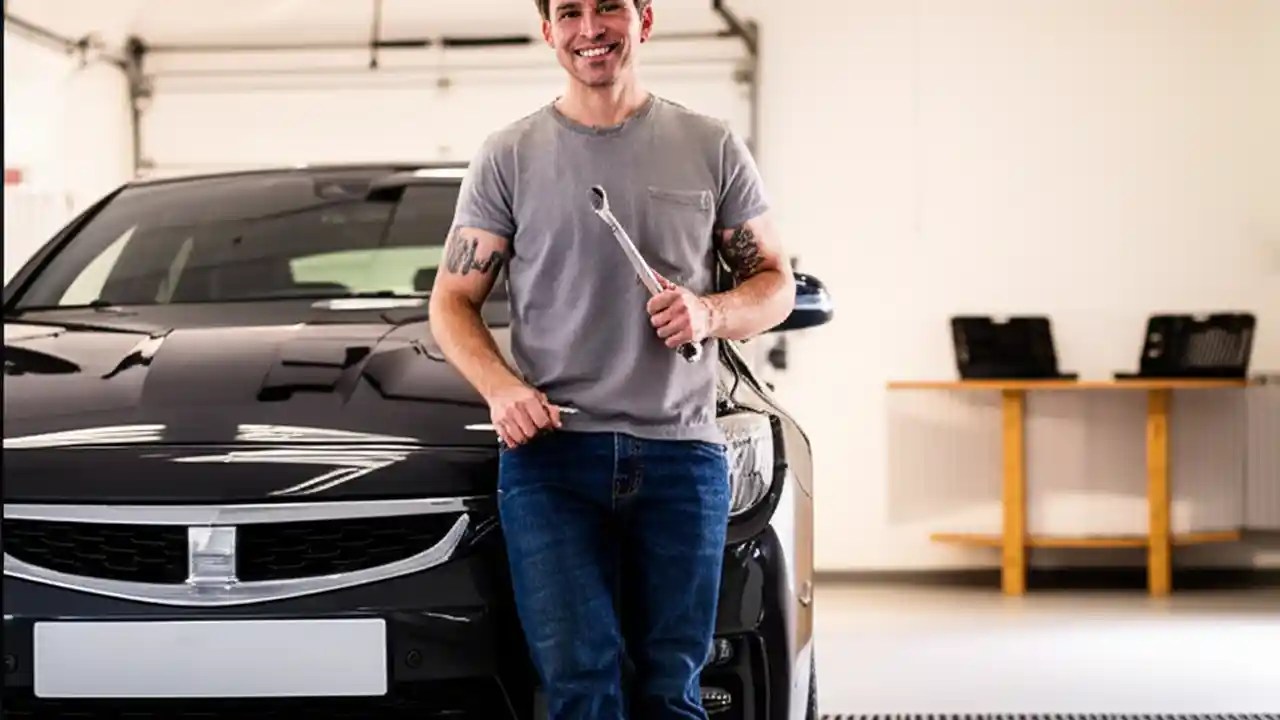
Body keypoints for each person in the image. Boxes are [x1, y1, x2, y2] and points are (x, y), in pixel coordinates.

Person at [428, 0, 794, 717]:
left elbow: (776, 284)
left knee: (671, 692)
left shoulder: (709, 144)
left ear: (644, 19)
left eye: (608, 9)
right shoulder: (509, 154)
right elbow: (451, 301)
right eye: (569, 12)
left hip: (682, 460)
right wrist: (501, 389)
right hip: (552, 463)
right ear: (548, 30)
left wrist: (709, 311)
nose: (589, 29)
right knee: (579, 689)